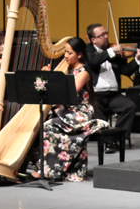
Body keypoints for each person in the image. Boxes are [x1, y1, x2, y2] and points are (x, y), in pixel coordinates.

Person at [21, 37, 108, 183]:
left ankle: (46, 171)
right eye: (65, 53)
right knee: (36, 127)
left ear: (79, 55)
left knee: (48, 127)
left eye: (69, 53)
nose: (66, 56)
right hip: (63, 111)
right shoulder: (65, 68)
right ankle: (39, 167)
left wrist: (50, 79)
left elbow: (69, 93)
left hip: (79, 112)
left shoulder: (83, 72)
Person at [85, 23, 140, 143]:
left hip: (114, 96)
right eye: (102, 35)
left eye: (106, 33)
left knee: (130, 106)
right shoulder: (88, 50)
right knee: (98, 113)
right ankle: (108, 141)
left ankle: (117, 137)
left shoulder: (114, 52)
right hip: (96, 96)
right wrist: (110, 51)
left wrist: (137, 59)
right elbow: (93, 62)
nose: (105, 36)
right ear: (93, 40)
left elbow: (126, 71)